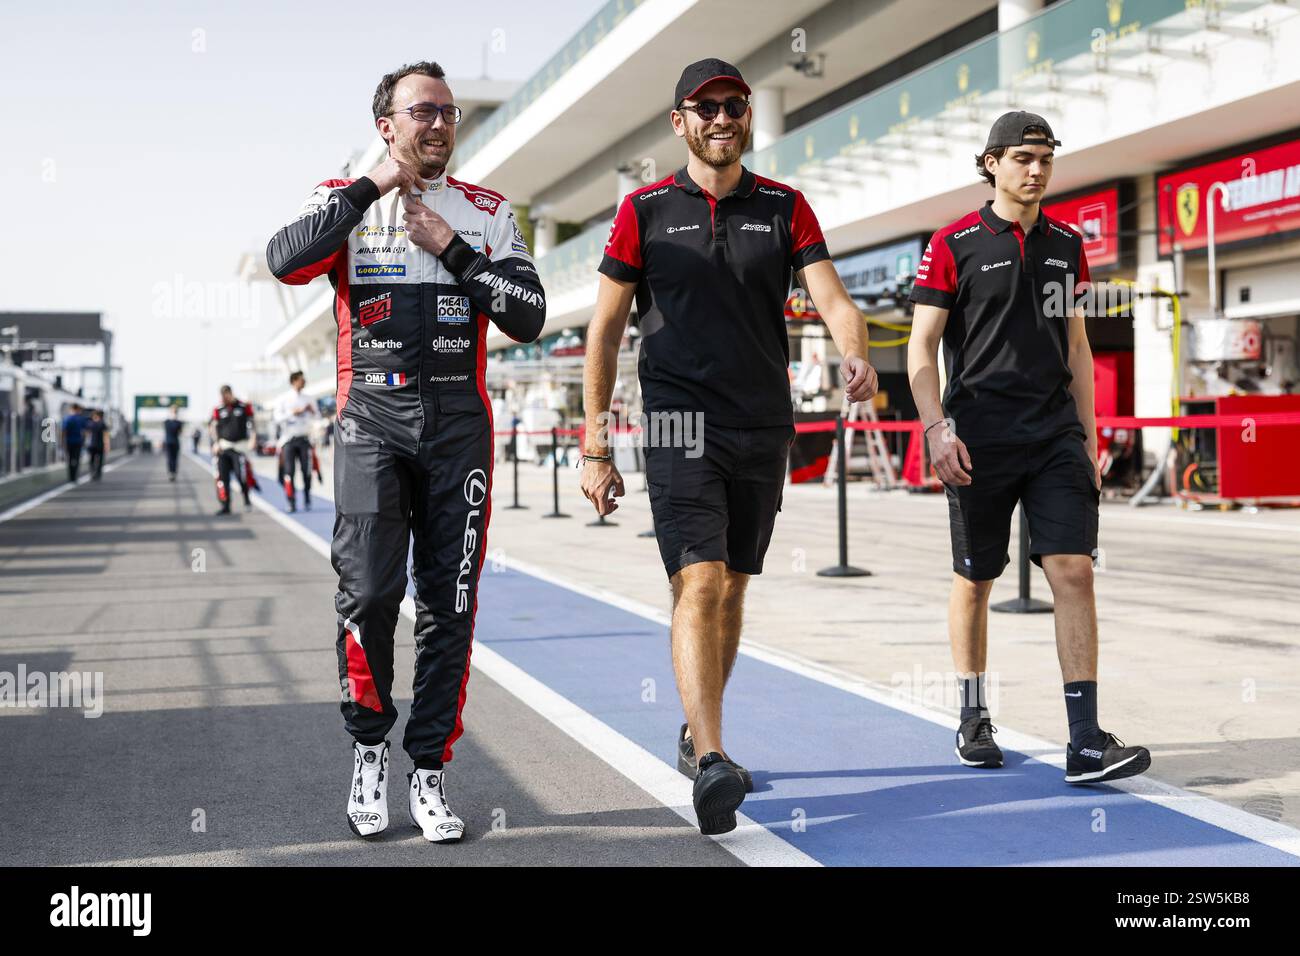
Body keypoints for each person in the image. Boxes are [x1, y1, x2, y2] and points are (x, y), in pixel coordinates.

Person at [580, 59, 877, 835]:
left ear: (748, 116)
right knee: (701, 581)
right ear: (678, 122)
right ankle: (713, 759)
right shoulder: (643, 211)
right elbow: (605, 332)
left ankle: (695, 726)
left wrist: (856, 350)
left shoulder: (784, 206)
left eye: (734, 105)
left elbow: (834, 298)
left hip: (762, 427)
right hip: (678, 424)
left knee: (736, 587)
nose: (721, 117)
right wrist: (595, 444)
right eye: (704, 107)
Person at [267, 60, 545, 843]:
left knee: (448, 607)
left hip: (460, 425)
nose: (439, 124)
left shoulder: (485, 210)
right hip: (370, 422)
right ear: (386, 125)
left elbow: (528, 315)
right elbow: (284, 260)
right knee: (368, 598)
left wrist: (453, 248)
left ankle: (428, 767)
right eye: (422, 112)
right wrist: (372, 188)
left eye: (450, 113)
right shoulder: (344, 199)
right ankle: (368, 751)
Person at [906, 111, 1150, 785]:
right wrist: (936, 428)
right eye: (1021, 157)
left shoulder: (1067, 244)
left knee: (1073, 569)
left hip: (1053, 437)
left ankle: (1085, 741)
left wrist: (1090, 442)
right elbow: (921, 346)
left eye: (1045, 157)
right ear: (990, 163)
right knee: (976, 579)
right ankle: (974, 714)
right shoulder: (953, 242)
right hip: (976, 436)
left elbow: (1076, 345)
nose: (1036, 168)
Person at [209, 385, 256, 514]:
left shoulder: (243, 406)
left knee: (241, 475)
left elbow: (252, 423)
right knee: (222, 478)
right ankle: (225, 505)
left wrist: (253, 438)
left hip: (239, 447)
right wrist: (215, 443)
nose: (224, 399)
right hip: (224, 447)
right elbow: (213, 427)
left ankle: (246, 499)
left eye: (226, 396)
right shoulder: (218, 409)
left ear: (230, 393)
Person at [275, 371, 317, 512]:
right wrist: (293, 412)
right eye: (301, 380)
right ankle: (291, 501)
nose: (304, 382)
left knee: (307, 471)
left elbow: (317, 417)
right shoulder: (283, 399)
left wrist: (311, 411)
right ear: (294, 381)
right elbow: (277, 418)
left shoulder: (309, 398)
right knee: (289, 472)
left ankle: (307, 498)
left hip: (305, 439)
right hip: (289, 440)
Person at [62, 403, 85, 482]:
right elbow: (84, 431)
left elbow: (64, 431)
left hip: (69, 442)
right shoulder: (81, 419)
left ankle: (71, 477)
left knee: (70, 459)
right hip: (78, 442)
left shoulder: (67, 418)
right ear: (77, 409)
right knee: (77, 459)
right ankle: (75, 476)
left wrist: (62, 441)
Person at [84, 410, 109, 481]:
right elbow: (105, 435)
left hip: (91, 445)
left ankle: (92, 473)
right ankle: (98, 474)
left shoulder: (89, 424)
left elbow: (86, 435)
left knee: (91, 460)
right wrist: (107, 445)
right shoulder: (103, 424)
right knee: (100, 460)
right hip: (100, 445)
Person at [162, 407, 184, 481]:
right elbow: (169, 429)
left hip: (175, 442)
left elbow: (179, 432)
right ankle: (170, 472)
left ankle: (174, 472)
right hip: (168, 442)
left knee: (175, 458)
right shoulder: (166, 422)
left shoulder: (179, 422)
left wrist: (176, 421)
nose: (174, 414)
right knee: (169, 458)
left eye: (175, 412)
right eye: (173, 412)